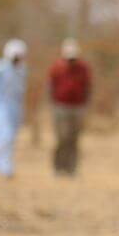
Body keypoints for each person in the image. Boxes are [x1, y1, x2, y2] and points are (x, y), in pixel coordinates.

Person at [48, 38, 91, 177]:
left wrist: (85, 105)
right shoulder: (56, 67)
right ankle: (58, 168)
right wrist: (53, 105)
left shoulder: (83, 68)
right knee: (62, 137)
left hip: (77, 107)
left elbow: (88, 87)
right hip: (61, 107)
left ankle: (72, 169)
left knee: (74, 138)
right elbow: (51, 87)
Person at [0, 39, 28, 178]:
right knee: (5, 135)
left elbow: (21, 91)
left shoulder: (22, 69)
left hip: (15, 106)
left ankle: (5, 165)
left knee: (12, 137)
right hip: (0, 105)